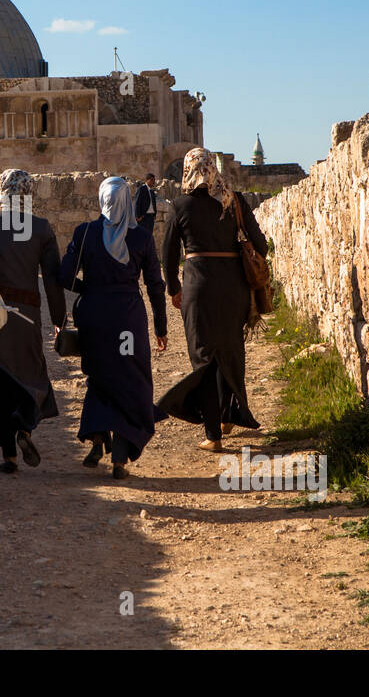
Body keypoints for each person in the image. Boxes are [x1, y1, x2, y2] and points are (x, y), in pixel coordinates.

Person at [158, 147, 269, 452]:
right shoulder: (233, 201)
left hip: (198, 288)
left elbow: (168, 256)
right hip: (233, 288)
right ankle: (230, 414)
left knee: (204, 358)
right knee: (230, 350)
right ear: (213, 169)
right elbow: (261, 245)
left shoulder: (179, 206)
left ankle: (213, 435)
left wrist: (173, 289)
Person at [59, 176, 168, 480]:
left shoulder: (85, 233)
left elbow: (64, 274)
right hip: (127, 319)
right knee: (130, 379)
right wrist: (161, 325)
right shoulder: (142, 238)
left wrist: (89, 288)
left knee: (100, 374)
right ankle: (119, 457)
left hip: (94, 316)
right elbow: (155, 285)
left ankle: (96, 437)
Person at [0, 169, 66, 474]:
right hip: (27, 316)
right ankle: (24, 429)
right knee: (28, 373)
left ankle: (8, 455)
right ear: (28, 191)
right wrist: (61, 319)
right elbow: (52, 279)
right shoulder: (41, 228)